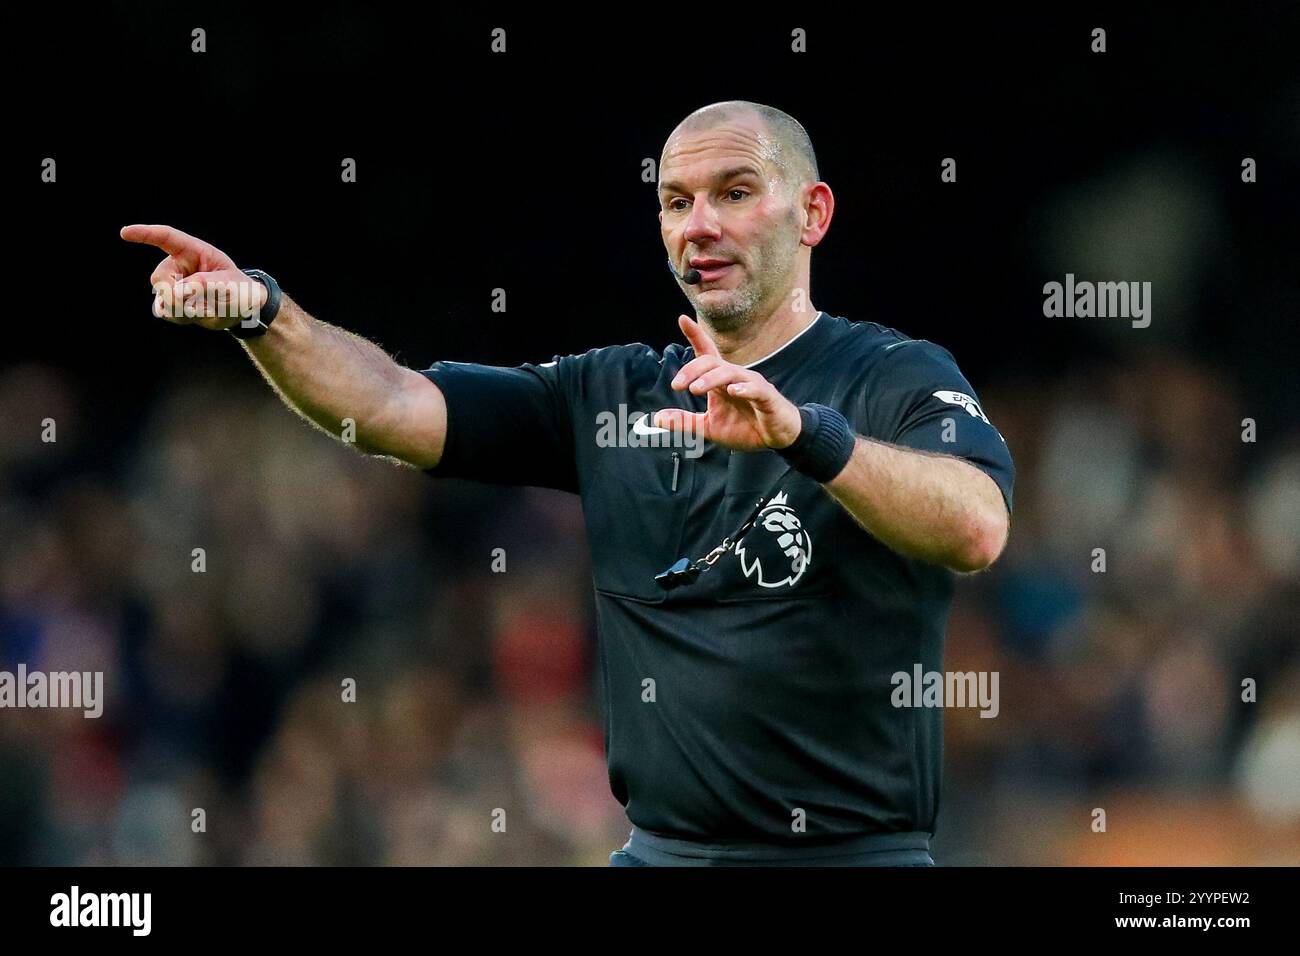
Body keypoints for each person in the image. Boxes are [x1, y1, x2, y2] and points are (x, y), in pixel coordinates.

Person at [121, 100, 1014, 867]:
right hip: (661, 854)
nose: (699, 223)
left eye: (735, 192)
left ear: (812, 212)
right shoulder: (607, 391)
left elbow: (975, 525)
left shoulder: (892, 374)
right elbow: (393, 403)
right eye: (675, 202)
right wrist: (266, 314)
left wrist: (804, 435)